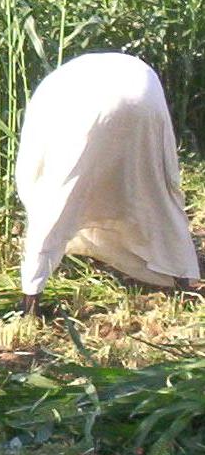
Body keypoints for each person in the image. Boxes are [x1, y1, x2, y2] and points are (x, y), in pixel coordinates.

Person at [16, 51, 199, 315]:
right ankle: (183, 278)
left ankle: (30, 301)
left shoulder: (47, 105)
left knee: (56, 201)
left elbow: (42, 188)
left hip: (94, 101)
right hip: (144, 91)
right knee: (156, 188)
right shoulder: (57, 89)